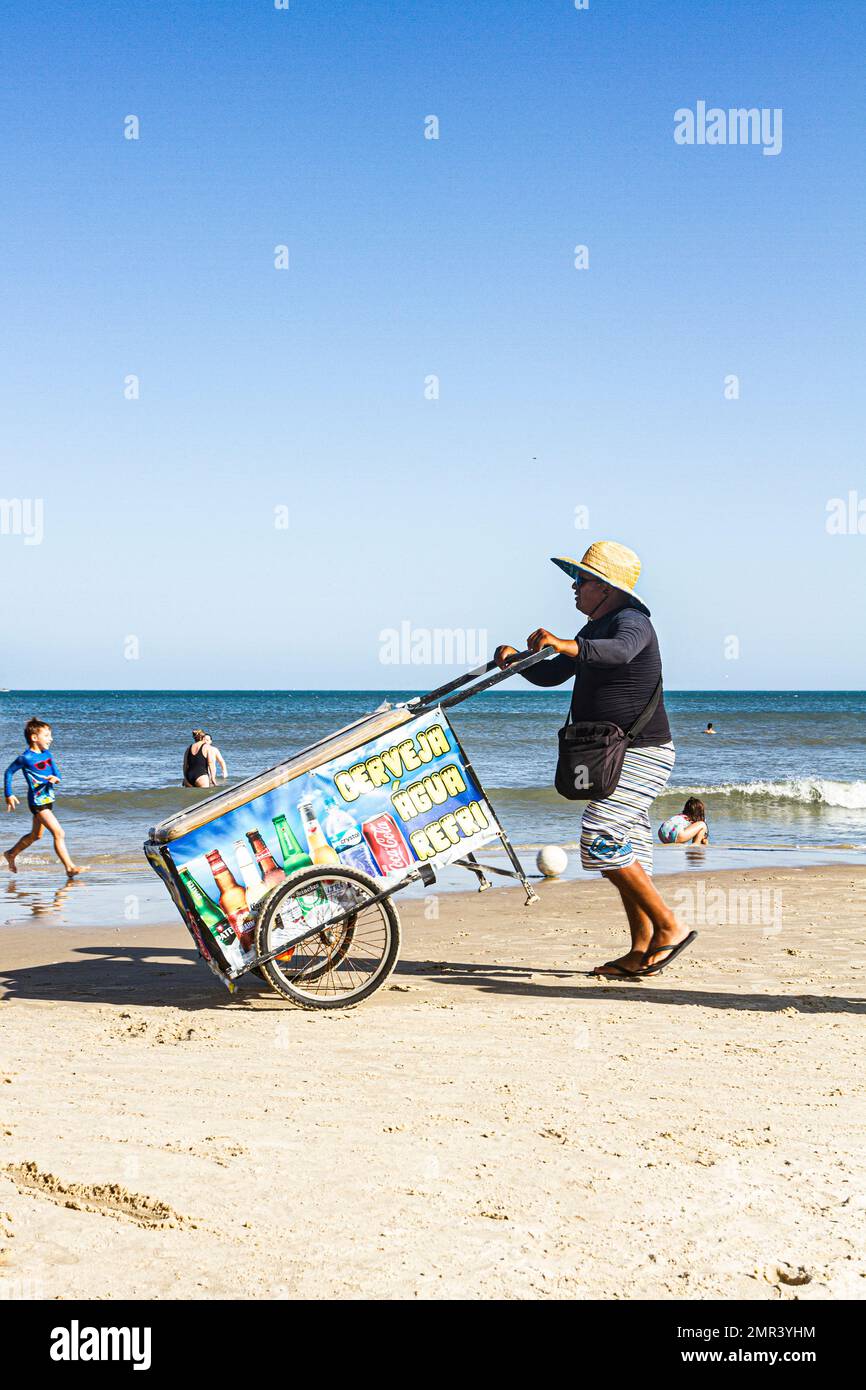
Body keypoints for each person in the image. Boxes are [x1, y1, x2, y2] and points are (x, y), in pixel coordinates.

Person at [495, 540, 696, 979]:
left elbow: (618, 653)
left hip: (643, 753)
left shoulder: (632, 622)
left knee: (600, 836)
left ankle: (670, 926)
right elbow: (552, 675)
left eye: (580, 581)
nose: (574, 589)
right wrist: (517, 662)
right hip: (614, 754)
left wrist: (563, 643)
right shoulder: (593, 629)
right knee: (629, 850)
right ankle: (642, 948)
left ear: (605, 588)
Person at [3, 718, 84, 878]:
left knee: (36, 836)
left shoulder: (47, 754)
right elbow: (9, 772)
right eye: (46, 735)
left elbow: (57, 773)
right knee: (59, 833)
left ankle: (11, 854)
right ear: (34, 738)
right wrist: (9, 794)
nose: (50, 738)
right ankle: (69, 867)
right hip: (37, 802)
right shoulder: (25, 758)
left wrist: (56, 779)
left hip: (49, 799)